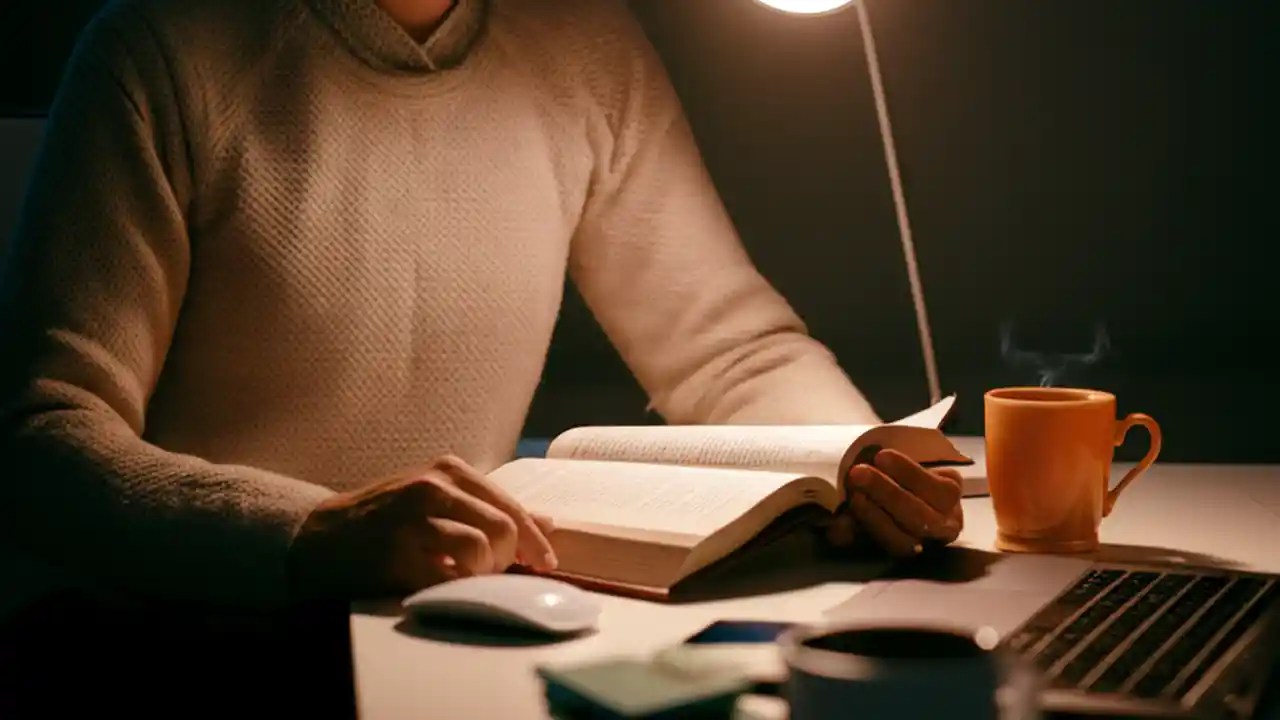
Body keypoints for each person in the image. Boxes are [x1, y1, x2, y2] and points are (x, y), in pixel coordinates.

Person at [0, 0, 964, 613]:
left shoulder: (584, 44)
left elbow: (734, 355)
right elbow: (41, 432)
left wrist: (860, 463)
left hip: (459, 626)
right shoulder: (164, 46)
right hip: (187, 640)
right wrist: (306, 531)